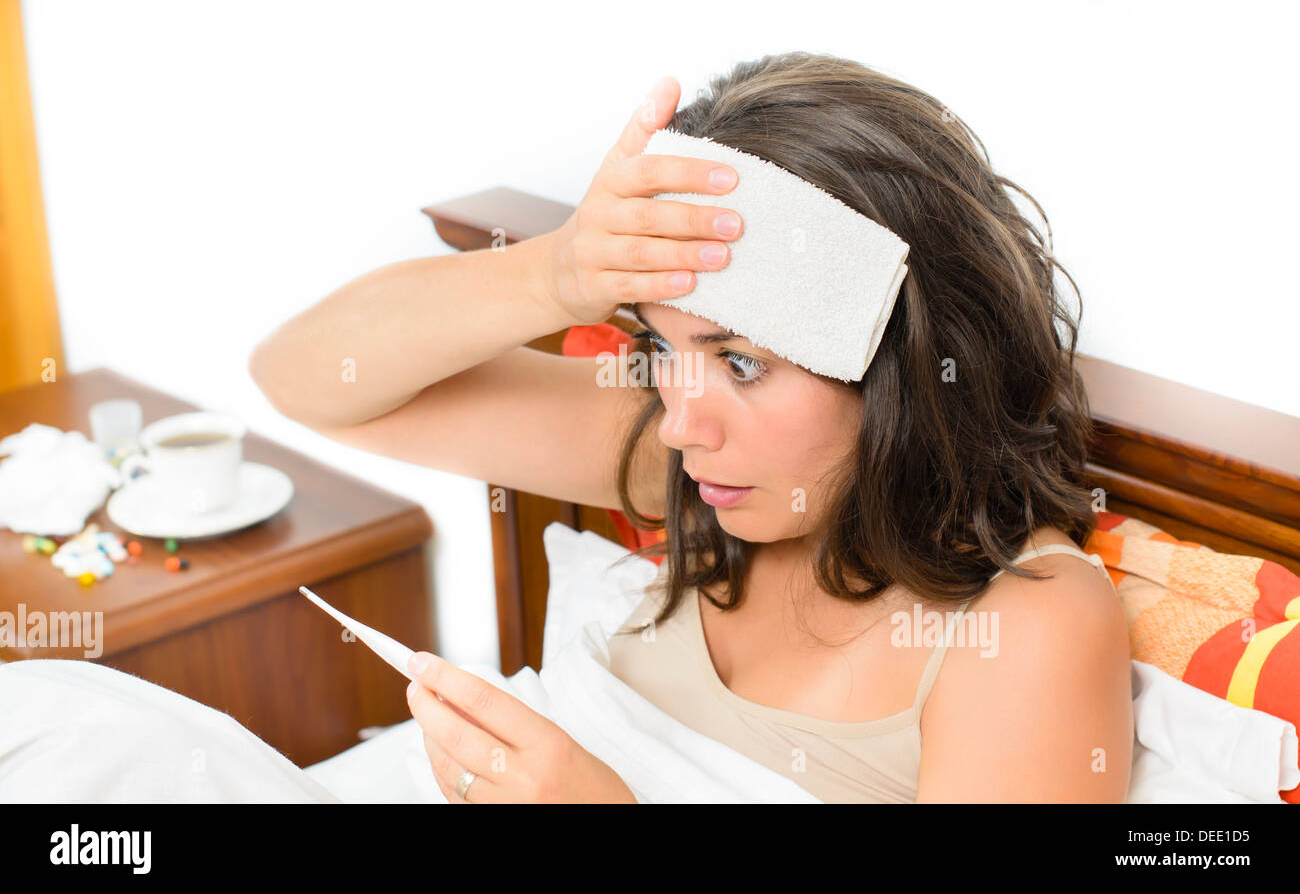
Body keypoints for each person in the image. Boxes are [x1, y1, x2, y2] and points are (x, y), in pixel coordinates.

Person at [248, 52, 1133, 803]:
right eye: (660, 348)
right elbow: (303, 377)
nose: (678, 423)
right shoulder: (693, 463)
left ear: (903, 368)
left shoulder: (1027, 620)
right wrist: (552, 275)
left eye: (741, 362)